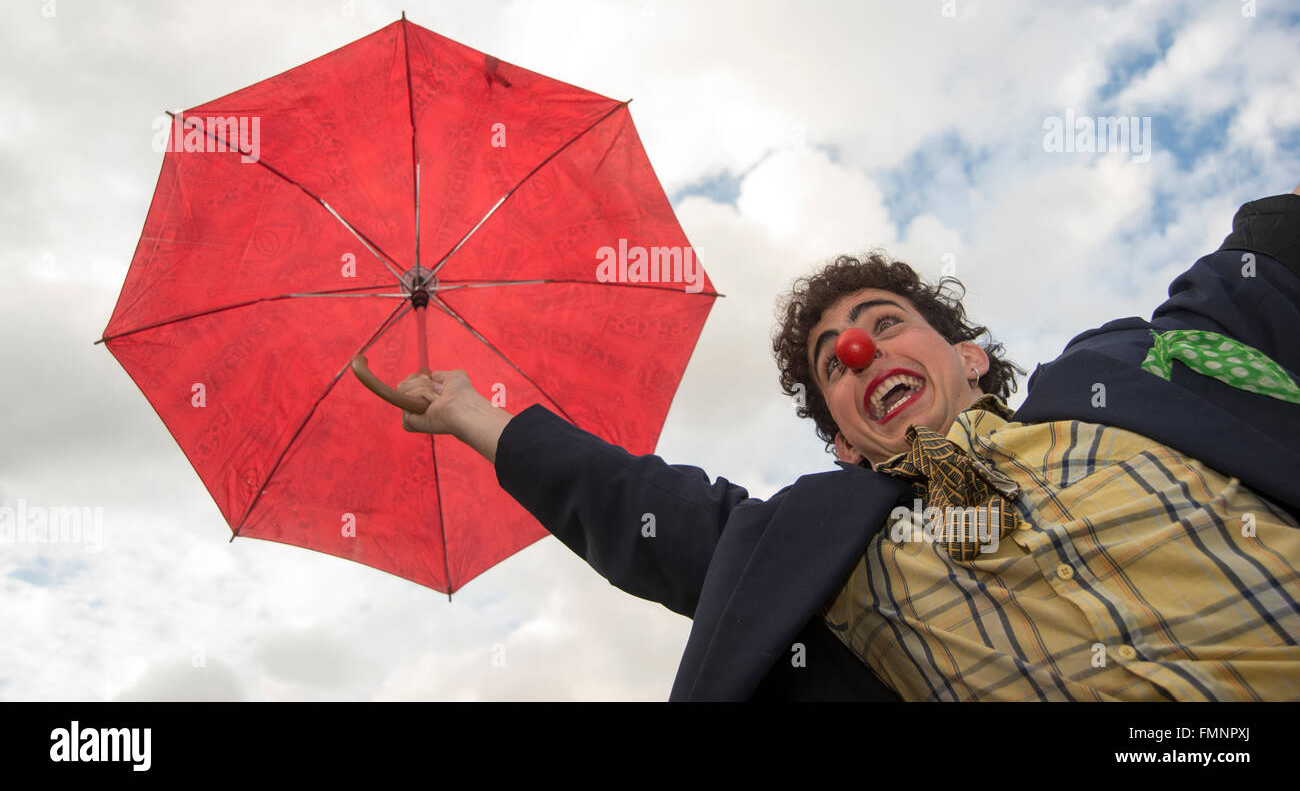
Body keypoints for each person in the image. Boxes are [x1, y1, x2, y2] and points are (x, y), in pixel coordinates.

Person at [397, 186, 1300, 700]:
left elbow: (1259, 268)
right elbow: (636, 505)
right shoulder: (835, 553)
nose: (861, 350)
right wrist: (477, 412)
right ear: (845, 446)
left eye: (884, 324)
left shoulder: (1118, 378)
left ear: (969, 354)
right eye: (834, 362)